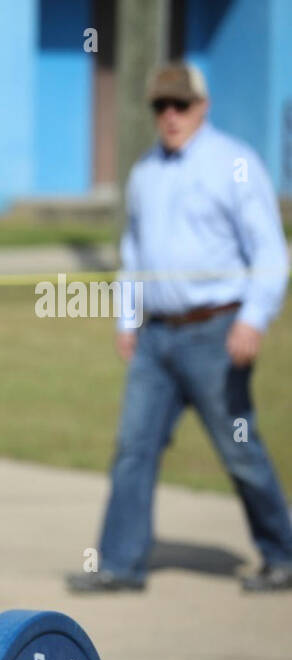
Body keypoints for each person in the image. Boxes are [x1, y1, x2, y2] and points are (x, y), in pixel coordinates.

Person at [68, 62, 292, 594]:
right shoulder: (145, 172)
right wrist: (128, 319)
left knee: (240, 449)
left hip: (218, 333)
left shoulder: (234, 163)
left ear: (202, 106)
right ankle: (121, 564)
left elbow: (270, 251)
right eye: (160, 106)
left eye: (180, 105)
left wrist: (253, 320)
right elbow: (134, 253)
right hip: (156, 340)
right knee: (133, 448)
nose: (170, 115)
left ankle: (282, 554)